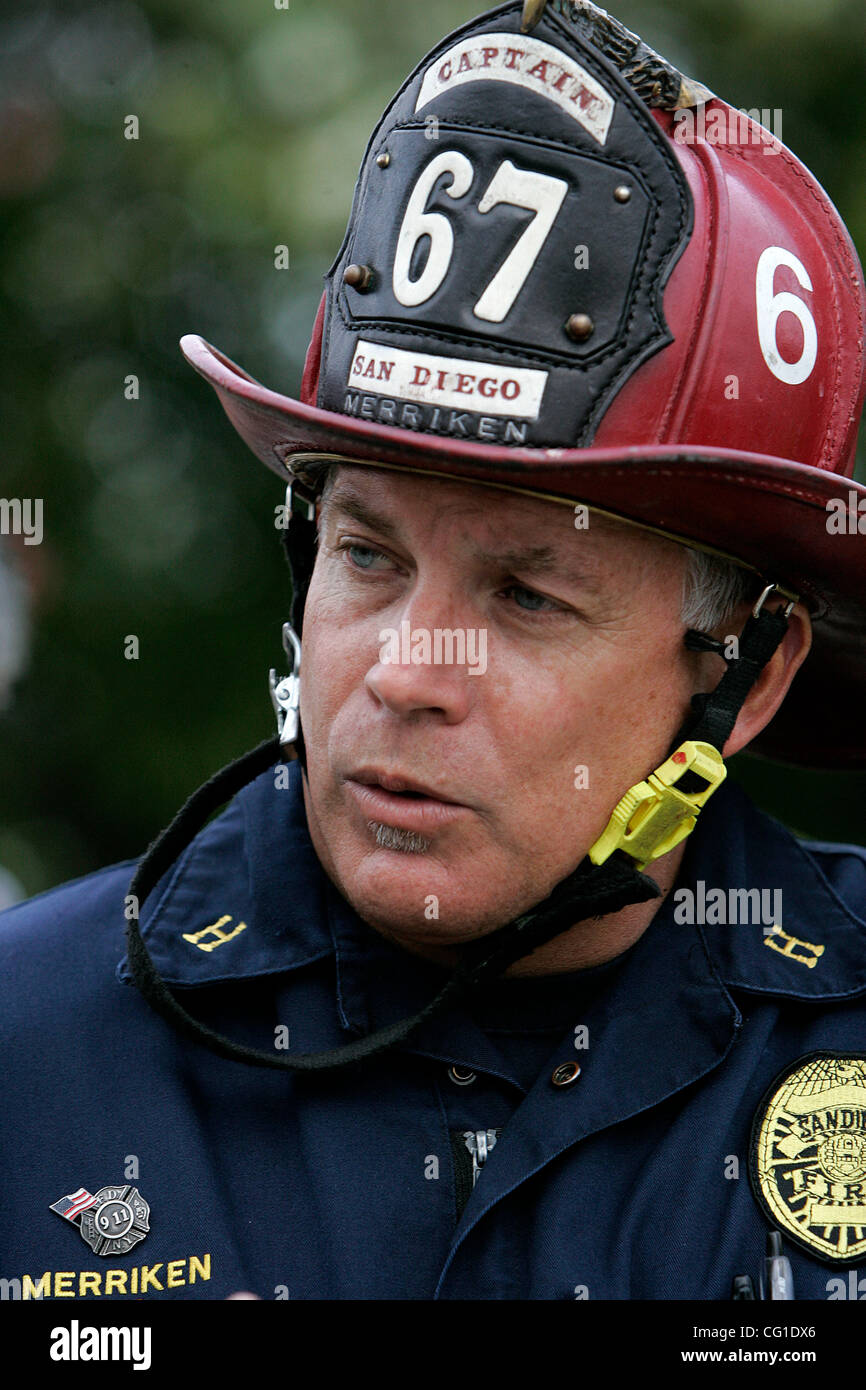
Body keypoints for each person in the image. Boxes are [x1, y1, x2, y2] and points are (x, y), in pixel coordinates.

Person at [1, 0, 865, 1303]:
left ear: (747, 672)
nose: (402, 671)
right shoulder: (26, 1046)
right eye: (368, 555)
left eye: (526, 596)